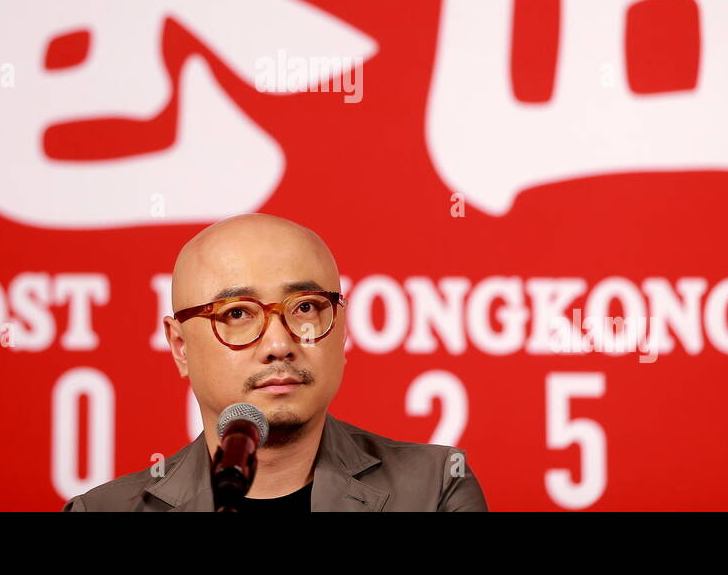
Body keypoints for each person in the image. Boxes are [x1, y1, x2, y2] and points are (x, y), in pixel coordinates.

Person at [62, 213, 488, 511]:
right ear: (180, 346)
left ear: (342, 328)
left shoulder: (435, 489)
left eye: (304, 308)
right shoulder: (105, 509)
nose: (280, 344)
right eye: (237, 314)